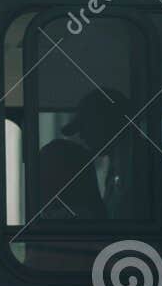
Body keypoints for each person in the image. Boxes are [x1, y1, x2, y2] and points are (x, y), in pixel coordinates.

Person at [36, 90, 131, 221]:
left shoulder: (141, 162)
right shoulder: (116, 166)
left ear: (104, 122)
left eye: (84, 127)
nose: (81, 136)